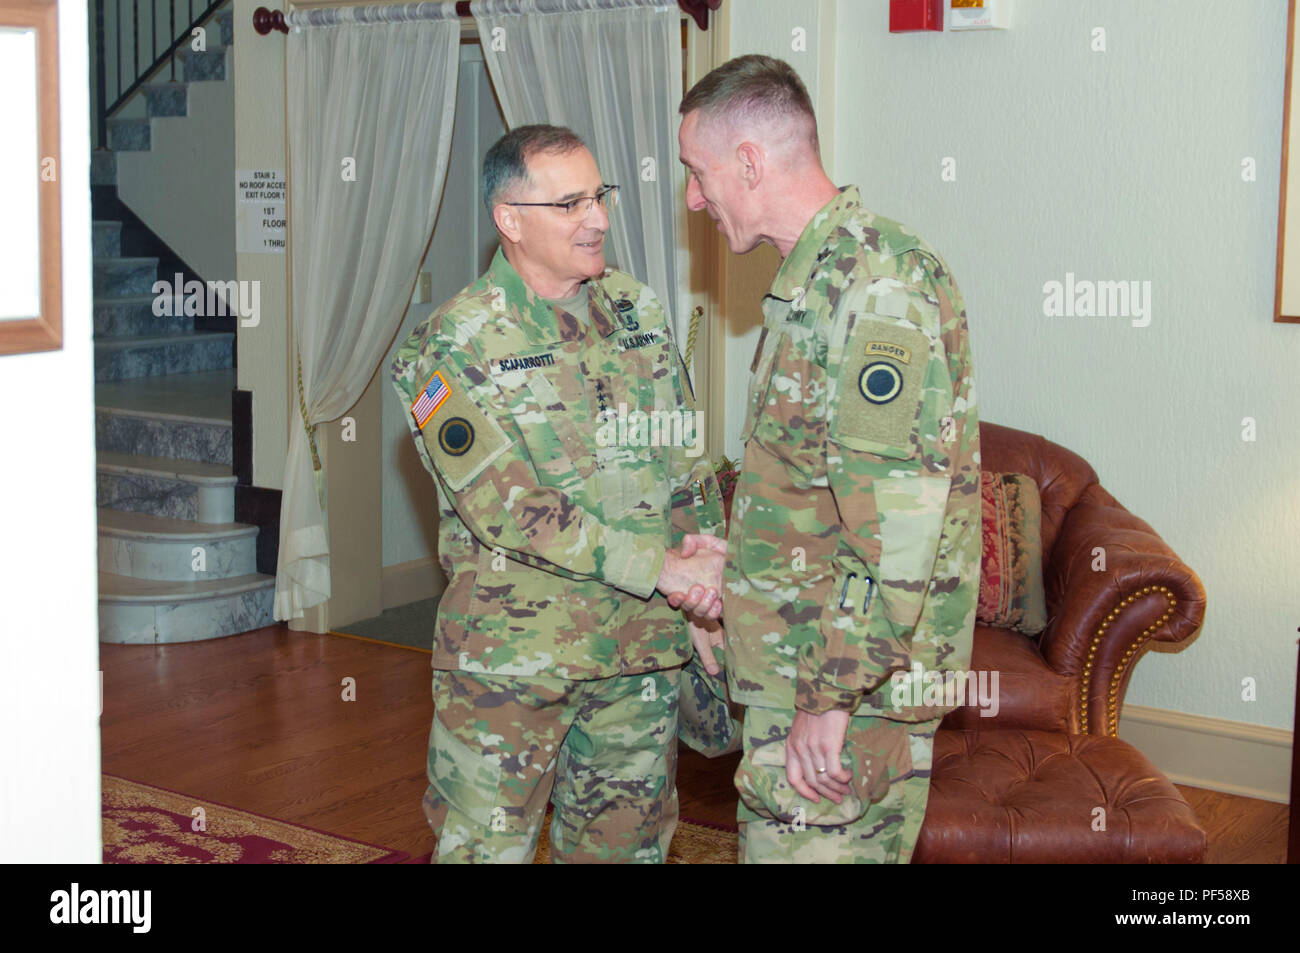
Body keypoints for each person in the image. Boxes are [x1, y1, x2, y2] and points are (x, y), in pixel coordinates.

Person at [390, 124, 730, 863]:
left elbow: (685, 464)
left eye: (599, 195)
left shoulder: (637, 312)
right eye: (570, 202)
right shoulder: (450, 346)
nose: (599, 218)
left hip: (639, 654)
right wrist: (663, 570)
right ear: (510, 220)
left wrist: (705, 591)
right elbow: (511, 510)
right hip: (514, 666)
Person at [670, 55, 981, 863]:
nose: (694, 198)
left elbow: (899, 531)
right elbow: (826, 496)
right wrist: (742, 562)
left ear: (749, 162)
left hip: (844, 686)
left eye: (698, 174)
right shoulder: (817, 280)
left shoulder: (872, 289)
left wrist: (830, 695)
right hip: (823, 667)